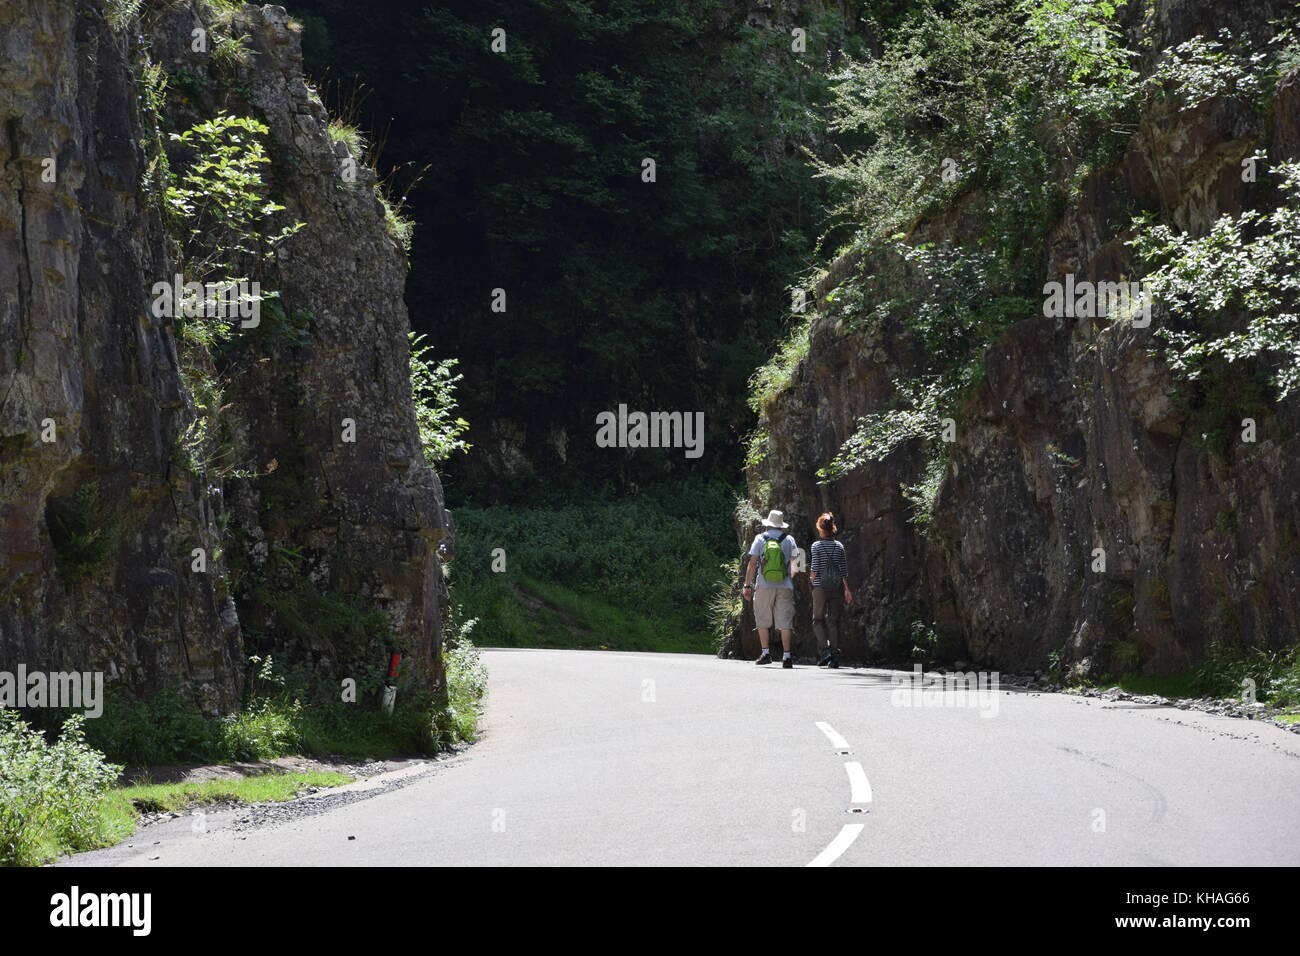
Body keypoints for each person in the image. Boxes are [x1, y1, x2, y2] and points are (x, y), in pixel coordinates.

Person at [742, 509, 798, 668]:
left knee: (762, 618)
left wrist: (747, 586)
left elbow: (752, 564)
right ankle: (787, 657)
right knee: (785, 621)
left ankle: (766, 653)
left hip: (764, 585)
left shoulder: (760, 539)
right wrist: (787, 578)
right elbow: (795, 566)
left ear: (768, 524)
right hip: (785, 586)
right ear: (781, 525)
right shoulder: (790, 540)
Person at [809, 512, 852, 668]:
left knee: (817, 620)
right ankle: (834, 657)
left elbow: (814, 568)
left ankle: (825, 650)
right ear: (832, 527)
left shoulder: (817, 546)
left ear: (820, 528)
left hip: (820, 587)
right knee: (833, 621)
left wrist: (811, 580)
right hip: (836, 587)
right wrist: (847, 590)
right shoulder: (839, 546)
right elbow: (843, 570)